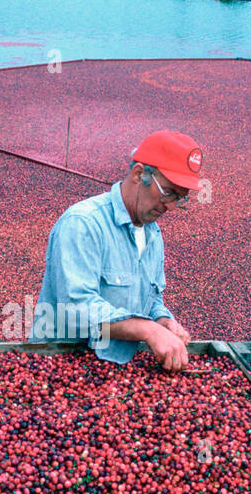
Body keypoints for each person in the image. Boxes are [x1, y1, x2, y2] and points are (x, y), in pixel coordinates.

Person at [31, 130, 200, 371]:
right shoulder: (83, 224)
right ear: (139, 174)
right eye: (168, 192)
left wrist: (162, 321)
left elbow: (149, 297)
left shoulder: (152, 233)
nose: (171, 206)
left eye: (181, 198)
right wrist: (147, 329)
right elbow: (75, 309)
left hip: (113, 368)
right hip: (59, 365)